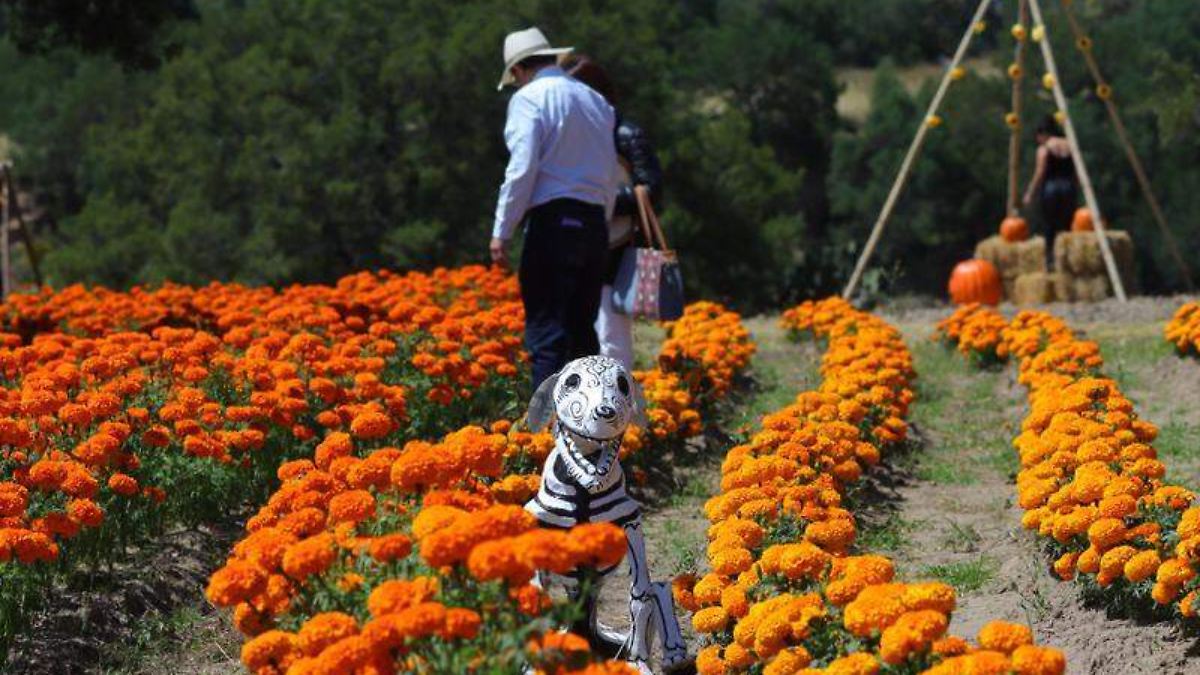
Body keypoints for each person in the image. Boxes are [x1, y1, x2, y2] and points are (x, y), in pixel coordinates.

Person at [491, 28, 620, 390]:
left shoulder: (529, 98)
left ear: (518, 70)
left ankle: (546, 422)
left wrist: (502, 231)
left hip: (554, 222)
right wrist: (602, 222)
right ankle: (591, 420)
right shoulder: (597, 102)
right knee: (583, 334)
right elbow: (610, 173)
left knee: (547, 333)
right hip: (594, 223)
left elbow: (522, 169)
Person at [564, 55, 663, 373]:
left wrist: (600, 201)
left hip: (617, 249)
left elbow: (652, 190)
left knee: (611, 335)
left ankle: (615, 398)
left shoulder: (627, 134)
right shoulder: (571, 135)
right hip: (578, 243)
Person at [1023, 115, 1078, 269]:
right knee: (1067, 224)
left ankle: (1050, 260)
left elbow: (1040, 172)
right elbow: (1076, 170)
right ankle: (1068, 259)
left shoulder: (1044, 149)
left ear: (1043, 133)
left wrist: (1030, 192)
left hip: (1051, 189)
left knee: (1050, 225)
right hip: (1068, 187)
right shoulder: (1069, 144)